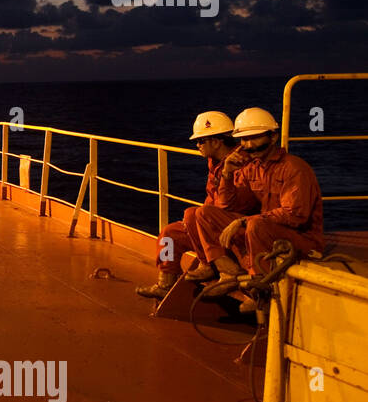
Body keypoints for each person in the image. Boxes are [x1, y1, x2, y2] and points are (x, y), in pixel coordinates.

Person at [193, 108, 324, 302]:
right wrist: (227, 176)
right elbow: (227, 207)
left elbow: (296, 216)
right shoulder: (253, 168)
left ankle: (259, 292)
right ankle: (228, 274)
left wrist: (244, 221)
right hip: (266, 232)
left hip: (302, 239)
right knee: (203, 213)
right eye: (244, 140)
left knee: (255, 224)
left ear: (273, 137)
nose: (248, 145)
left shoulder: (294, 168)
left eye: (254, 138)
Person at [135, 112, 258, 299]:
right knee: (169, 235)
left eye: (201, 141)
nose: (197, 145)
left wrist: (200, 218)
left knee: (194, 214)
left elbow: (232, 207)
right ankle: (165, 283)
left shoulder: (240, 164)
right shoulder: (215, 163)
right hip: (207, 224)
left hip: (228, 228)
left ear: (217, 142)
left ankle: (210, 265)